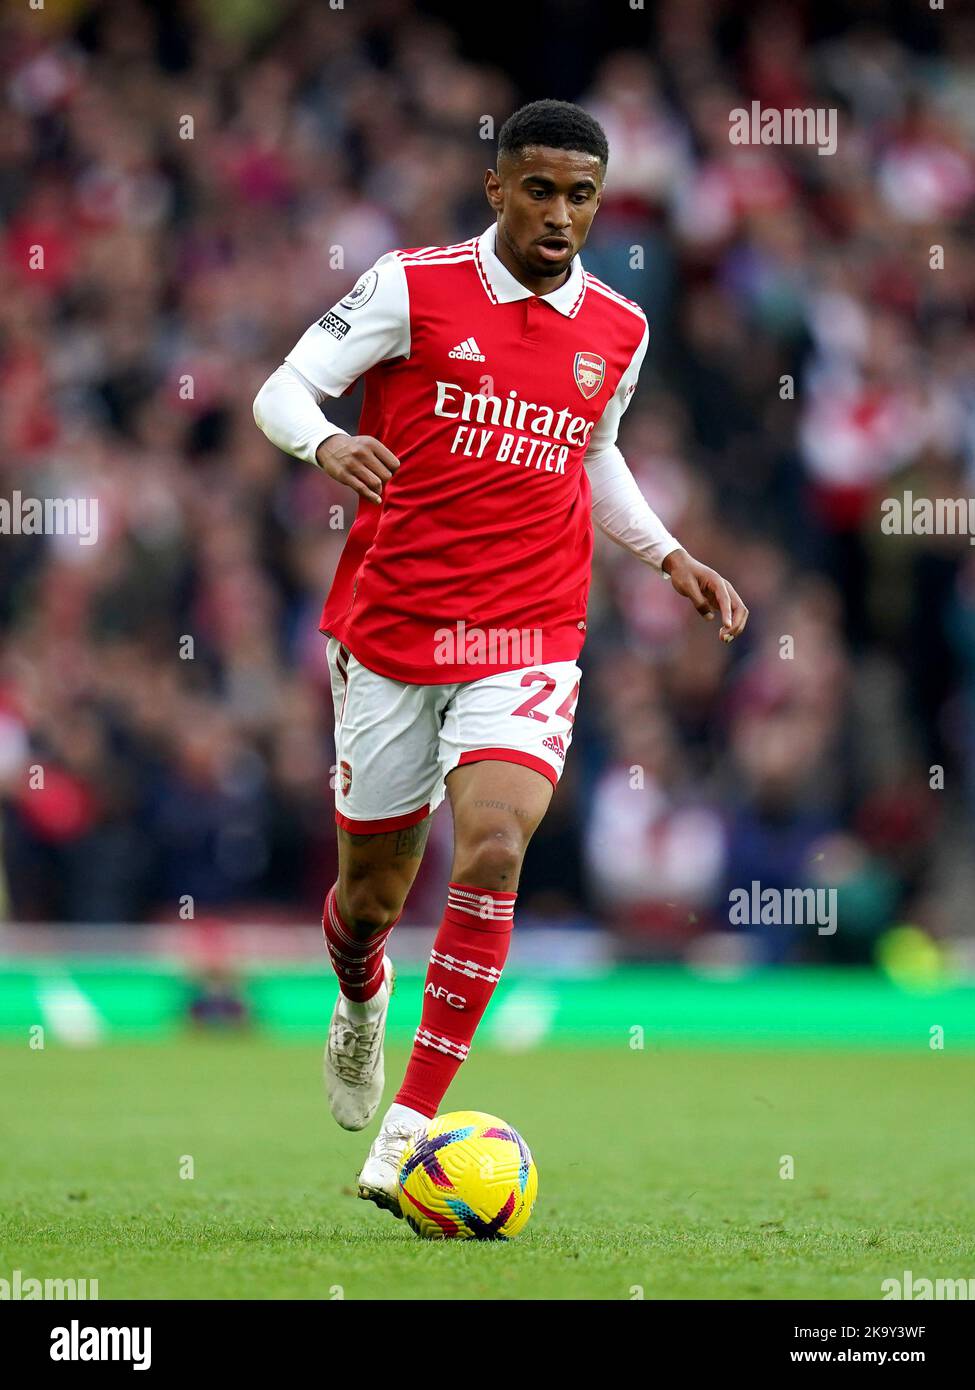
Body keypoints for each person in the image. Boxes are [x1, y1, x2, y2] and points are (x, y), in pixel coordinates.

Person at [253, 98, 748, 1215]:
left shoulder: (620, 326)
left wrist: (668, 553)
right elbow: (279, 388)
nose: (561, 213)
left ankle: (411, 1128)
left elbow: (597, 454)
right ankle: (360, 990)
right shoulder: (411, 285)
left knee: (491, 846)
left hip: (529, 631)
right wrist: (328, 439)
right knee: (370, 899)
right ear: (497, 188)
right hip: (391, 630)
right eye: (540, 188)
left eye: (581, 194)